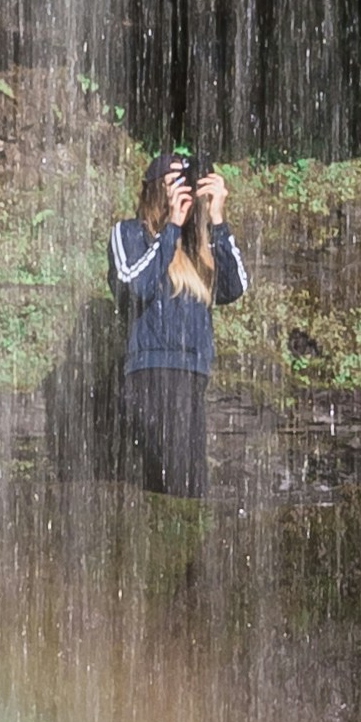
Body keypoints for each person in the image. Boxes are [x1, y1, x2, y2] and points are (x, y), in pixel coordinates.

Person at [107, 150, 248, 499]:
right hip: (152, 372)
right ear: (156, 190)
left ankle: (178, 548)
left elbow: (234, 288)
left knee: (188, 480)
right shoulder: (129, 233)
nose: (183, 196)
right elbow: (133, 286)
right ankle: (180, 547)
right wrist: (169, 227)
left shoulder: (197, 245)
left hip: (191, 373)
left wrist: (217, 220)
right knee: (181, 481)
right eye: (174, 186)